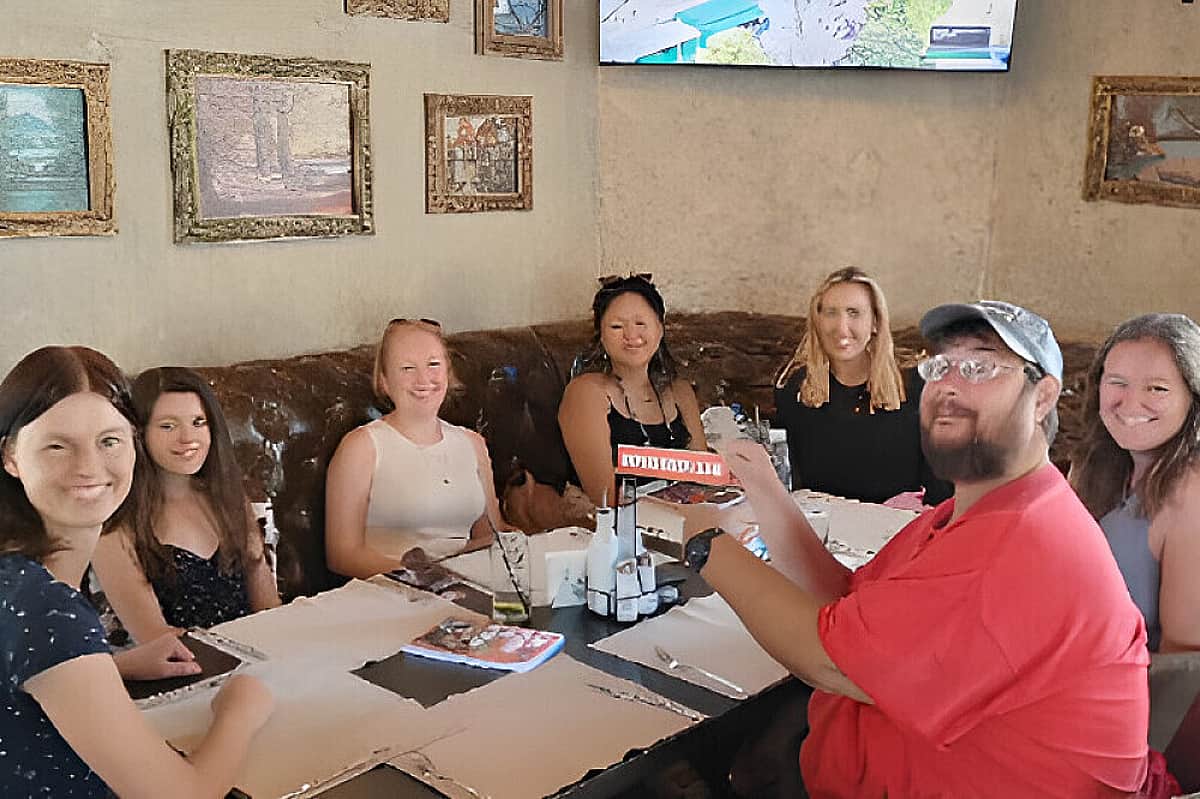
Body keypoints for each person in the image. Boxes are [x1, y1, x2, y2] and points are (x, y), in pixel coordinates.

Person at [685, 301, 1155, 796]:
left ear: (1042, 398)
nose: (949, 383)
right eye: (939, 366)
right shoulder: (975, 511)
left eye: (979, 365)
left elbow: (826, 660)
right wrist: (764, 486)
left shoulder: (1022, 539)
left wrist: (706, 546)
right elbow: (842, 602)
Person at [0, 346, 272, 798]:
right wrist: (240, 711)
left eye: (109, 441)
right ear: (10, 456)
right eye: (56, 445)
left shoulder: (20, 575)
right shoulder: (45, 607)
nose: (88, 467)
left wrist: (112, 666)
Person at [92, 367, 280, 643]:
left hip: (257, 655)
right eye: (168, 425)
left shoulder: (230, 497)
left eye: (198, 422)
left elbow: (268, 608)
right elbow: (154, 637)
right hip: (182, 669)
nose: (187, 438)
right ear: (138, 432)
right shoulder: (115, 524)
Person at [325, 318, 515, 577]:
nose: (423, 379)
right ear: (384, 381)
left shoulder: (473, 444)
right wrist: (426, 576)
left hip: (466, 591)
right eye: (407, 368)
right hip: (392, 594)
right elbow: (342, 555)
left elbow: (490, 536)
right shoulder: (361, 447)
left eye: (434, 364)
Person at [1071, 313, 1200, 653]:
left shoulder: (1192, 491)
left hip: (1142, 696)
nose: (1130, 403)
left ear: (1193, 398)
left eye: (1157, 388)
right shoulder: (1090, 465)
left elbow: (1185, 665)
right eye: (1117, 383)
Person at [774, 267, 951, 505]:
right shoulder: (794, 390)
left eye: (854, 313)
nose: (841, 327)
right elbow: (791, 481)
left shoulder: (918, 387)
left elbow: (941, 485)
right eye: (830, 313)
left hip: (900, 527)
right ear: (817, 321)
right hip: (822, 529)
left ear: (875, 322)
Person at [558, 274, 708, 506]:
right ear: (601, 335)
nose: (631, 336)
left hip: (689, 519)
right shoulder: (587, 392)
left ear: (660, 328)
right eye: (617, 326)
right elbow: (604, 500)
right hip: (623, 532)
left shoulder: (680, 392)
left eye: (641, 324)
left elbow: (702, 477)